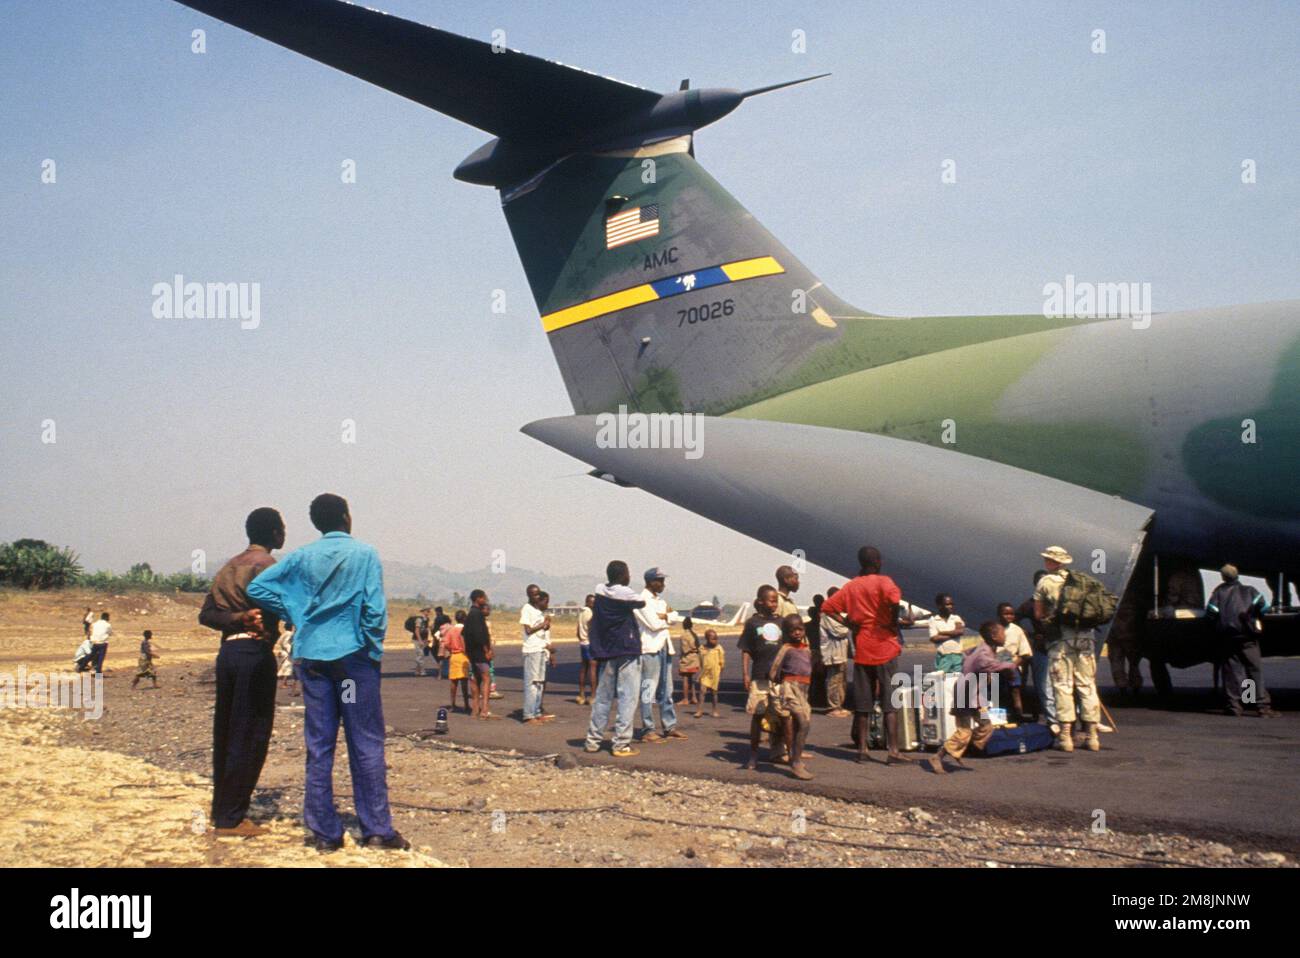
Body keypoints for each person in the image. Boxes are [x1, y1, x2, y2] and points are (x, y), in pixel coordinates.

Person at [247, 493, 409, 852]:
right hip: (352, 665)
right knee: (364, 739)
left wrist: (297, 612)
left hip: (315, 662)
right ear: (346, 517)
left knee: (319, 743)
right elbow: (374, 609)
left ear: (317, 524)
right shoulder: (364, 553)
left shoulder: (302, 556)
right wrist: (371, 646)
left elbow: (258, 587)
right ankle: (377, 829)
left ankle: (325, 833)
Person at [198, 506, 285, 839]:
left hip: (228, 653)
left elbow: (206, 614)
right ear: (275, 533)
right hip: (254, 653)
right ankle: (232, 818)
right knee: (251, 733)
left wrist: (235, 618)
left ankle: (223, 809)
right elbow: (286, 607)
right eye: (282, 528)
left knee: (227, 730)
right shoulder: (269, 567)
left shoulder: (228, 566)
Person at [820, 546, 911, 766]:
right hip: (884, 646)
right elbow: (894, 599)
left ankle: (862, 749)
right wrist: (891, 620)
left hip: (863, 647)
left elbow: (827, 606)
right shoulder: (884, 582)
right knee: (890, 703)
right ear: (878, 561)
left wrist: (849, 623)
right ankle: (893, 751)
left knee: (863, 704)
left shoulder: (851, 586)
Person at [926, 621, 1021, 774]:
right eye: (1003, 633)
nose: (1005, 636)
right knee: (964, 731)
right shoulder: (984, 654)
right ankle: (938, 756)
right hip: (965, 695)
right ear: (993, 636)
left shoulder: (985, 648)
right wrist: (1012, 665)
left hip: (977, 698)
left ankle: (962, 748)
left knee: (986, 726)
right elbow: (993, 665)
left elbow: (967, 653)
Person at [1034, 546, 1101, 752]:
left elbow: (1038, 614)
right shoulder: (1081, 580)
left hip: (1061, 639)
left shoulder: (1045, 581)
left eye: (1047, 559)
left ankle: (1066, 736)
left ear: (1052, 562)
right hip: (1086, 638)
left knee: (1063, 685)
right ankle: (1092, 736)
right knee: (1087, 685)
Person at [583, 561, 646, 757]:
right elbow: (641, 602)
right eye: (627, 573)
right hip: (627, 649)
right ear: (622, 576)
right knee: (627, 698)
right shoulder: (625, 593)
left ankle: (592, 741)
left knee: (603, 698)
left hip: (608, 650)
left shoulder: (600, 590)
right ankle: (621, 744)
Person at [1206, 564, 1277, 717]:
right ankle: (1261, 706)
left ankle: (1235, 707)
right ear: (1237, 575)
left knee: (1233, 672)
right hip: (1248, 638)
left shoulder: (1219, 592)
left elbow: (1210, 613)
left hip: (1229, 639)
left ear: (1223, 577)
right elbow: (1264, 608)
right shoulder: (1250, 591)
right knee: (1254, 670)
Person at [636, 567, 685, 743]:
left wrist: (666, 617)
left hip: (664, 647)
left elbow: (675, 616)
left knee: (667, 690)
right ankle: (648, 729)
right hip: (650, 649)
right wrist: (667, 618)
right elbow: (653, 624)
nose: (663, 584)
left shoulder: (660, 602)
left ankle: (669, 726)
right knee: (648, 689)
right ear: (650, 582)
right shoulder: (641, 600)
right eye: (660, 581)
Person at [738, 585, 784, 770]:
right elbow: (746, 650)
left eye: (776, 600)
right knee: (757, 716)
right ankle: (754, 754)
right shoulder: (752, 623)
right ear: (760, 602)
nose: (774, 604)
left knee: (781, 716)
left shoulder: (782, 622)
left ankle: (778, 751)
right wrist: (745, 673)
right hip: (759, 677)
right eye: (771, 600)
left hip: (779, 679)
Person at [769, 614, 815, 780]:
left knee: (802, 725)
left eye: (800, 629)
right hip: (790, 689)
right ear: (787, 633)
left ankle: (796, 757)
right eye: (792, 630)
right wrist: (781, 685)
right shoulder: (786, 648)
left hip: (804, 690)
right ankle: (795, 762)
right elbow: (774, 670)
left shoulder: (806, 648)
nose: (797, 633)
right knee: (803, 724)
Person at [520, 588, 555, 724]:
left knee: (539, 683)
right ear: (529, 595)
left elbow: (542, 632)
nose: (537, 596)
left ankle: (536, 711)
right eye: (535, 594)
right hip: (532, 650)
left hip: (540, 649)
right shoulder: (527, 609)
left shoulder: (539, 612)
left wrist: (546, 626)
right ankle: (528, 714)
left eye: (538, 594)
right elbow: (528, 630)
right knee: (532, 683)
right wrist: (542, 625)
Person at [461, 590, 496, 719]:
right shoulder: (477, 615)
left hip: (472, 653)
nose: (486, 600)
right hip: (480, 652)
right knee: (486, 678)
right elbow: (479, 635)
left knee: (475, 679)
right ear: (478, 599)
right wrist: (487, 650)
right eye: (484, 598)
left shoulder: (470, 614)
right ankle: (484, 709)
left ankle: (475, 708)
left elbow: (464, 633)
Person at [820, 586, 852, 718]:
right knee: (834, 681)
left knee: (841, 680)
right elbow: (840, 631)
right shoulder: (827, 614)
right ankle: (833, 707)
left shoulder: (835, 614)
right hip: (833, 654)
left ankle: (839, 705)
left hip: (840, 653)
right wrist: (850, 621)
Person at [996, 602, 1031, 718]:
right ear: (999, 615)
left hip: (1013, 665)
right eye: (1005, 614)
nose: (1009, 616)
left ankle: (1018, 717)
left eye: (1011, 614)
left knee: (1015, 691)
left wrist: (1013, 666)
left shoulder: (1017, 631)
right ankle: (998, 719)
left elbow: (1025, 653)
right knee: (997, 692)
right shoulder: (993, 629)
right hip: (996, 665)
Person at [928, 593, 966, 673]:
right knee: (942, 680)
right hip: (943, 657)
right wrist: (954, 635)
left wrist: (942, 633)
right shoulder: (934, 620)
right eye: (947, 604)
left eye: (952, 604)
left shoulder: (956, 618)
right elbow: (934, 638)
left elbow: (960, 631)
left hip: (957, 656)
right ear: (940, 606)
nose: (951, 606)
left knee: (958, 680)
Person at [696, 629, 725, 717]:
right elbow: (700, 661)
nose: (715, 641)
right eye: (713, 639)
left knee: (714, 693)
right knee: (702, 691)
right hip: (705, 673)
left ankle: (715, 710)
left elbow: (722, 662)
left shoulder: (719, 649)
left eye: (716, 639)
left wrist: (720, 672)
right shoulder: (702, 648)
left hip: (715, 674)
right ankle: (699, 710)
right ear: (707, 639)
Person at [576, 594, 596, 705]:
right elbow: (591, 628)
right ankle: (593, 696)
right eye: (593, 603)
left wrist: (582, 639)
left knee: (583, 668)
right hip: (590, 643)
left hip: (583, 643)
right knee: (593, 669)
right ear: (588, 602)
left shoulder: (581, 613)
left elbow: (577, 630)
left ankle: (581, 694)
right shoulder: (590, 614)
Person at [678, 616, 702, 706]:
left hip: (687, 659)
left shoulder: (684, 635)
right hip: (695, 658)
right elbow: (698, 647)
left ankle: (685, 699)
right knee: (691, 679)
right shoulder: (694, 634)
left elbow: (685, 650)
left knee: (685, 678)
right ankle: (694, 697)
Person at [274, 625, 298, 694]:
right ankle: (283, 683)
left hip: (284, 652)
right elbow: (286, 643)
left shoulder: (285, 633)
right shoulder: (289, 634)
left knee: (285, 667)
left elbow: (281, 642)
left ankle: (284, 683)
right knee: (287, 667)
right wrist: (289, 650)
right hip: (287, 652)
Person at [409, 606, 432, 676]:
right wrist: (420, 640)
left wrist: (426, 640)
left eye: (429, 611)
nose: (428, 612)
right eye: (427, 611)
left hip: (423, 639)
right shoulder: (419, 619)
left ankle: (417, 671)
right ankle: (422, 671)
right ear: (423, 611)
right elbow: (417, 631)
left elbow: (426, 630)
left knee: (420, 655)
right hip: (417, 639)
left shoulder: (427, 619)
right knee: (420, 655)